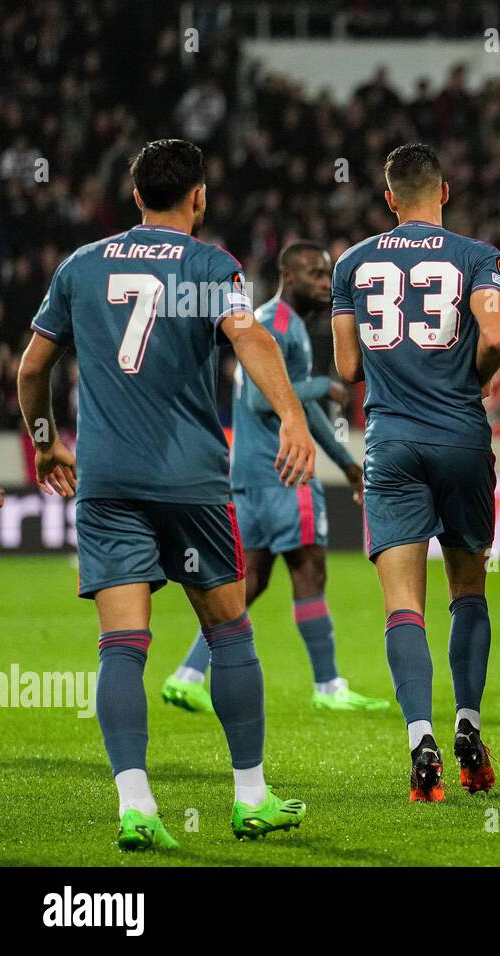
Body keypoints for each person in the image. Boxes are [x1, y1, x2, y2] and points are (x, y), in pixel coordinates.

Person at [17, 138, 314, 850]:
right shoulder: (211, 267)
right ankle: (250, 798)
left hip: (108, 479)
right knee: (230, 632)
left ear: (135, 195)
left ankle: (136, 809)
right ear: (200, 197)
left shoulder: (80, 267)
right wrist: (294, 416)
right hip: (192, 482)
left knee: (121, 646)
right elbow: (251, 340)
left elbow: (33, 370)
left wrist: (44, 440)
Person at [331, 143, 500, 802]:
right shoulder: (478, 257)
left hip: (392, 444)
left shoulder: (352, 263)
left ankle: (420, 739)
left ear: (387, 199)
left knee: (403, 604)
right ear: (445, 191)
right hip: (463, 439)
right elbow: (494, 338)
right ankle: (468, 725)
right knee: (468, 591)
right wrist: (469, 384)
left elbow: (347, 367)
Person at [162, 241, 388, 714]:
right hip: (284, 474)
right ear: (288, 274)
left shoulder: (271, 323)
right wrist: (322, 385)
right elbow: (264, 402)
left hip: (250, 477)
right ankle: (328, 686)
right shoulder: (277, 324)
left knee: (251, 581)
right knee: (310, 570)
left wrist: (346, 463)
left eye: (328, 275)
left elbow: (299, 410)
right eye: (315, 274)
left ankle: (186, 674)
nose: (326, 284)